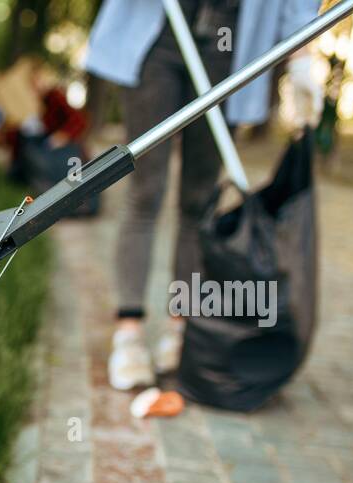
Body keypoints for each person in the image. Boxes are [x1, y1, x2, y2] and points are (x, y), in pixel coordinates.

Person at [85, 0, 323, 391]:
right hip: (158, 30)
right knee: (146, 191)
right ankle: (128, 331)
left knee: (199, 200)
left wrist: (301, 57)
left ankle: (180, 326)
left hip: (229, 43)